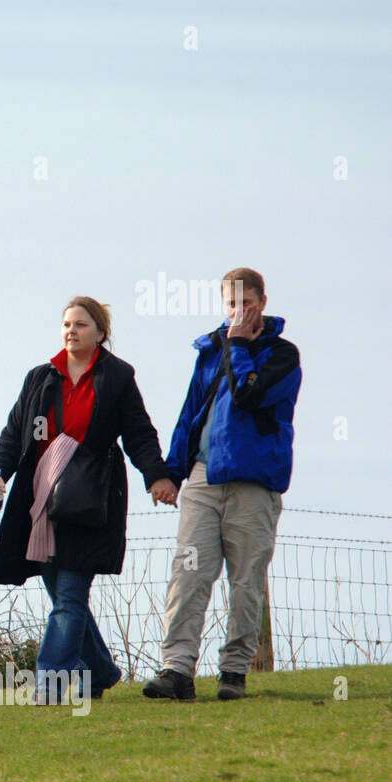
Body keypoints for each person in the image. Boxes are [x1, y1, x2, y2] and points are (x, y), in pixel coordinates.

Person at [0, 296, 175, 704]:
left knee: (69, 597)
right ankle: (100, 671)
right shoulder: (40, 377)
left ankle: (49, 685)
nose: (72, 330)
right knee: (64, 599)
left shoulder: (117, 376)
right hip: (41, 500)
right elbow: (14, 432)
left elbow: (138, 431)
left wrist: (156, 475)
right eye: (67, 324)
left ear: (101, 333)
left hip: (90, 500)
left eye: (82, 325)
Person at [142, 267, 301, 701]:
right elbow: (191, 412)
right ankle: (177, 669)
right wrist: (170, 473)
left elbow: (251, 395)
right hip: (202, 479)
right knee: (189, 573)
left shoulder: (283, 355)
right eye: (231, 304)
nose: (237, 312)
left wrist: (237, 345)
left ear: (263, 303)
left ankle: (234, 672)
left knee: (246, 580)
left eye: (245, 303)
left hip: (253, 482)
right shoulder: (209, 352)